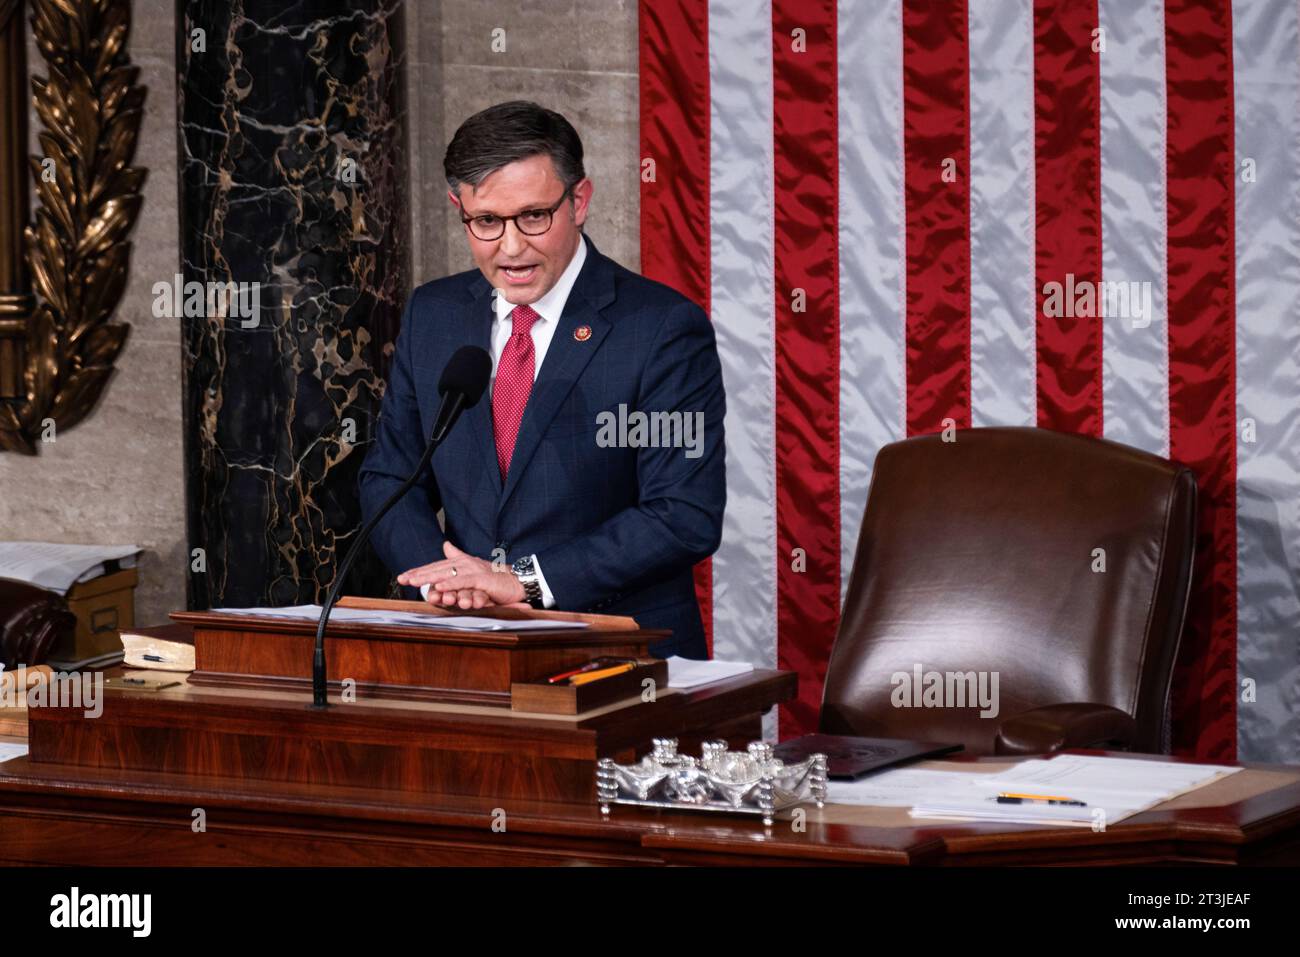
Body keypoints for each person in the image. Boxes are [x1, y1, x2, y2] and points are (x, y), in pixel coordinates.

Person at [358, 101, 725, 659]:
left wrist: (524, 582)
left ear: (579, 201)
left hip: (620, 654)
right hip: (464, 648)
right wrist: (448, 582)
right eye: (487, 222)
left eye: (533, 216)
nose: (511, 247)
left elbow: (682, 514)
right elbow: (391, 477)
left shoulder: (659, 329)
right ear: (460, 208)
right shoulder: (434, 315)